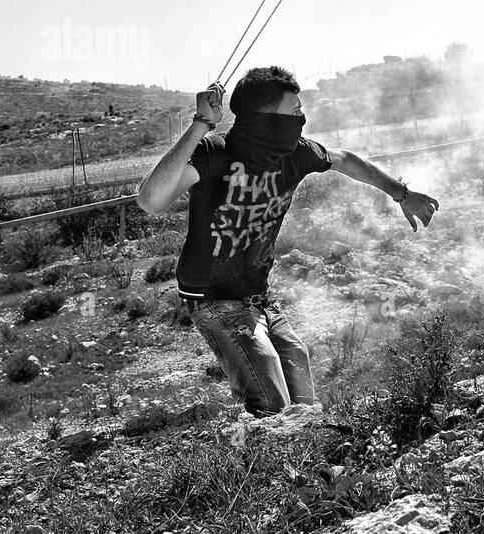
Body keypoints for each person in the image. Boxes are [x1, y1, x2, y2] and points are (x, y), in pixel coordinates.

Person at [136, 66, 439, 416]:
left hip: (259, 298)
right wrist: (201, 124)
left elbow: (345, 160)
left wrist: (401, 193)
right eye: (293, 112)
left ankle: (299, 463)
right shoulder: (216, 152)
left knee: (304, 401)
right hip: (213, 298)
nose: (302, 119)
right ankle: (255, 468)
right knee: (270, 403)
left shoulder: (295, 152)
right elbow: (150, 201)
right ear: (265, 118)